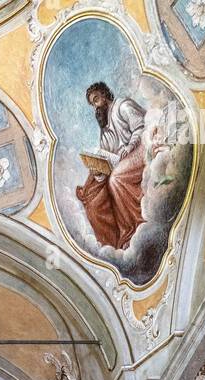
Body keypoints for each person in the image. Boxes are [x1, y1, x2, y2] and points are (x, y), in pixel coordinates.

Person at [76, 80, 146, 251]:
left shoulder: (123, 106)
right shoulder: (105, 130)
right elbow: (107, 157)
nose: (95, 107)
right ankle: (113, 240)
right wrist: (98, 170)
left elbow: (142, 126)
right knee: (94, 198)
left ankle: (132, 228)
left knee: (115, 179)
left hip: (140, 149)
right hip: (121, 162)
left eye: (96, 100)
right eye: (92, 103)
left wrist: (130, 146)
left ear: (105, 95)